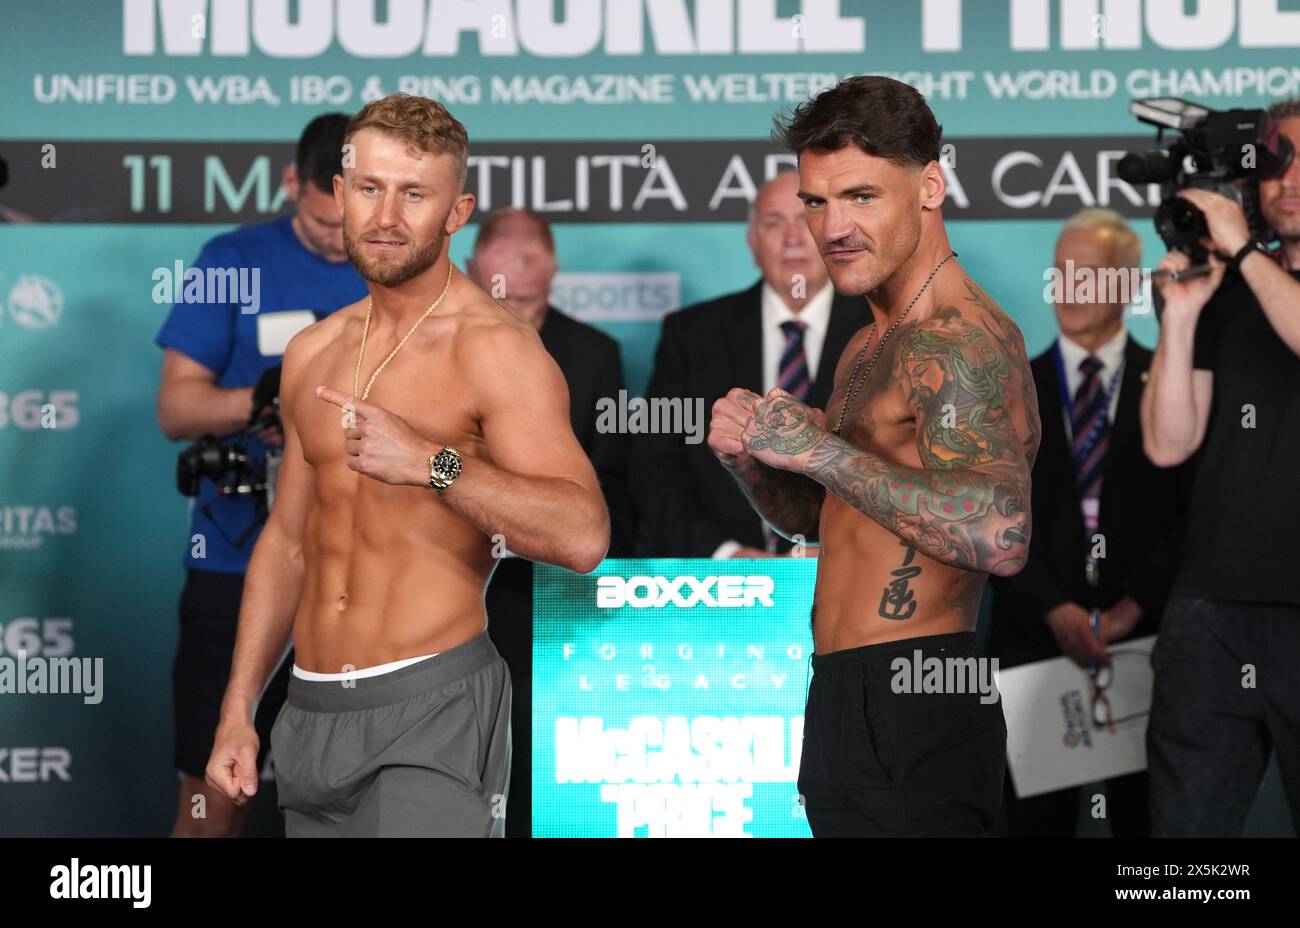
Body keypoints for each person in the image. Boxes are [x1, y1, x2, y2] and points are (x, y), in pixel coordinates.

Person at [203, 93, 609, 838]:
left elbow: (582, 535)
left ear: (457, 213)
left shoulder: (494, 348)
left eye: (414, 194)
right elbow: (288, 542)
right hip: (311, 710)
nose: (386, 216)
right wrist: (239, 709)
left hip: (432, 709)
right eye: (369, 188)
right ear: (339, 193)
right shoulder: (312, 353)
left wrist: (434, 464)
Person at [708, 76, 1040, 836]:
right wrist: (756, 463)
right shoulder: (866, 343)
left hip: (921, 691)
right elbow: (828, 524)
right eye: (817, 201)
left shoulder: (961, 337)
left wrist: (820, 450)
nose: (832, 228)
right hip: (841, 691)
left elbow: (1002, 534)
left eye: (861, 196)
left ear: (930, 186)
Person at [155, 113, 366, 837]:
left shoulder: (404, 267)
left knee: (364, 797)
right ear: (291, 186)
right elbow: (177, 405)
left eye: (355, 221)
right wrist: (265, 402)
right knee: (217, 790)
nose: (343, 241)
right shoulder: (232, 258)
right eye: (322, 225)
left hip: (368, 566)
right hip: (238, 553)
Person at [989, 208, 1190, 837]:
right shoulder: (1008, 390)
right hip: (1033, 647)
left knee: (1153, 841)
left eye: (1090, 273)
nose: (1070, 287)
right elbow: (990, 514)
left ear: (1128, 284)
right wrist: (1053, 608)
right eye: (1062, 271)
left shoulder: (1178, 383)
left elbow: (1193, 514)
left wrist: (1132, 608)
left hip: (1153, 652)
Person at [1140, 99, 1300, 837]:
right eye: (1274, 163)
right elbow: (1169, 444)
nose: (1290, 180)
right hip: (1210, 612)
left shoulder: (1250, 270)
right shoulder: (1230, 291)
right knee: (1184, 848)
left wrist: (1242, 254)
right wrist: (1179, 316)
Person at [466, 206, 632, 837]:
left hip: (559, 588)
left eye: (532, 254)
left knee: (545, 766)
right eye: (504, 254)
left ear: (555, 264)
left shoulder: (594, 354)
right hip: (454, 581)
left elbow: (613, 478)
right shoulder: (438, 345)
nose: (518, 270)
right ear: (473, 263)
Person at [634, 170, 870, 557]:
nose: (792, 239)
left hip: (855, 574)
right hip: (725, 589)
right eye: (774, 224)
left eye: (804, 221)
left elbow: (902, 472)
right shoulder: (691, 334)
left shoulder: (882, 328)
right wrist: (726, 555)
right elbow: (655, 467)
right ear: (752, 242)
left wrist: (836, 551)